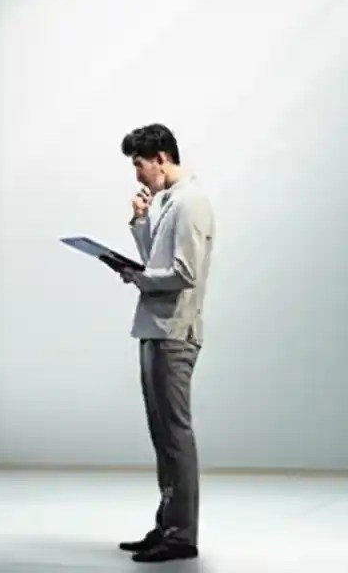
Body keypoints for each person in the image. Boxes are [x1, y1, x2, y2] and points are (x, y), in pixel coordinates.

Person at [115, 123, 215, 564]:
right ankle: (167, 525)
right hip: (156, 329)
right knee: (163, 436)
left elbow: (184, 273)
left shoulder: (191, 202)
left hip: (174, 332)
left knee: (175, 435)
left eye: (139, 164)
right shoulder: (169, 202)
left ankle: (181, 535)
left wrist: (137, 277)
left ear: (161, 158)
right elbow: (157, 259)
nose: (137, 175)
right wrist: (140, 223)